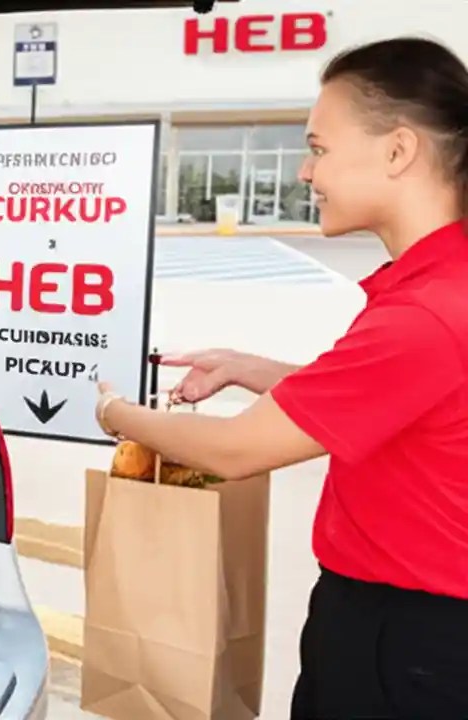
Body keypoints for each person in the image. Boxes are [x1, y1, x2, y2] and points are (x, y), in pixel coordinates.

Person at [93, 36, 468, 719]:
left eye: (319, 148)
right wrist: (250, 370)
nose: (303, 171)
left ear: (398, 151)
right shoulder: (446, 287)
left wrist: (117, 414)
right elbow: (398, 402)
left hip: (409, 643)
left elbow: (234, 451)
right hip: (410, 629)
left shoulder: (429, 312)